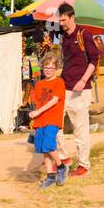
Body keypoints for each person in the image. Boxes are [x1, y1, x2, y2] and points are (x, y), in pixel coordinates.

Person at [57, 2, 100, 178]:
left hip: (81, 90)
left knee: (80, 129)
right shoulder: (63, 38)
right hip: (64, 86)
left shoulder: (84, 34)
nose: (61, 23)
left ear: (72, 17)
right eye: (59, 20)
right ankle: (64, 158)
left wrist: (83, 80)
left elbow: (94, 59)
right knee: (54, 126)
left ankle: (83, 165)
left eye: (64, 19)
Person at [29, 55, 70, 189]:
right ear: (42, 68)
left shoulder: (59, 82)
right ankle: (50, 175)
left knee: (48, 144)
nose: (48, 70)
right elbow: (38, 103)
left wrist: (38, 112)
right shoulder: (39, 84)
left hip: (52, 118)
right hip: (40, 120)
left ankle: (61, 166)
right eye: (46, 67)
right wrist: (34, 115)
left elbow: (54, 100)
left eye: (51, 68)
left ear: (56, 69)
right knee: (43, 149)